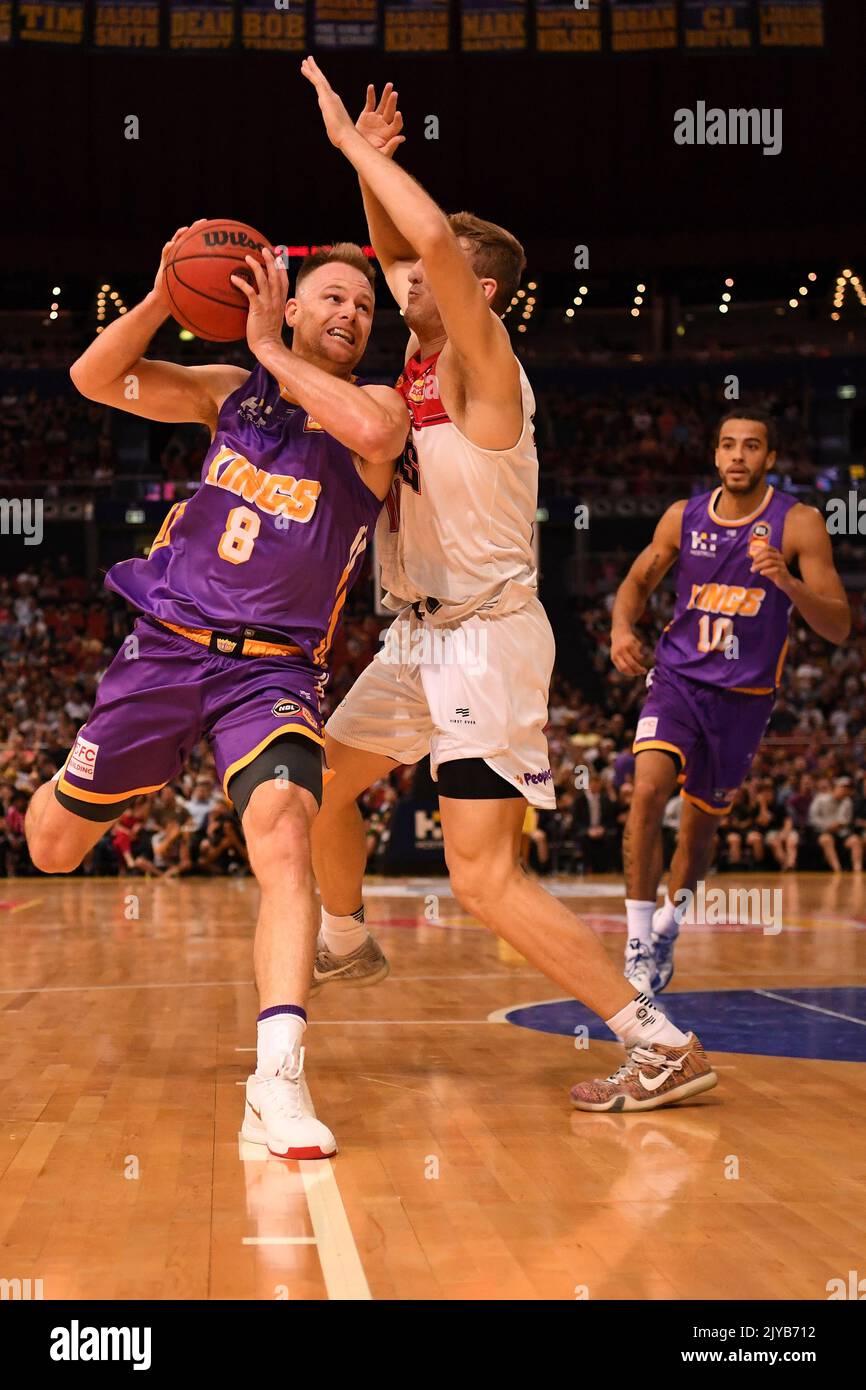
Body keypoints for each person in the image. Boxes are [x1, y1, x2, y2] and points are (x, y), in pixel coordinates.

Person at [301, 57, 718, 1113]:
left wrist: (350, 146)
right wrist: (375, 167)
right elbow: (408, 243)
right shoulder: (418, 355)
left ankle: (655, 1038)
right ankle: (343, 936)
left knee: (481, 879)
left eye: (417, 283)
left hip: (483, 639)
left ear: (476, 292)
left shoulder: (480, 361)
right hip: (418, 641)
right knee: (306, 783)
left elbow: (426, 245)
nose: (392, 287)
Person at [24, 223, 408, 1159]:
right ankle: (65, 783)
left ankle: (276, 1076)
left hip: (272, 669)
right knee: (52, 848)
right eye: (335, 297)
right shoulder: (232, 394)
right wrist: (163, 293)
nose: (352, 314)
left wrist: (271, 343)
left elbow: (372, 432)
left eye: (364, 307)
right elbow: (92, 379)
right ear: (287, 296)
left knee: (283, 825)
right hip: (164, 650)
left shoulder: (375, 410)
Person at [611, 410, 850, 993]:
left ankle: (671, 924)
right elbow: (639, 581)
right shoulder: (682, 517)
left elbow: (839, 625)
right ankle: (638, 937)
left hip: (743, 699)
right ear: (715, 457)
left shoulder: (799, 524)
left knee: (698, 834)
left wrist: (788, 584)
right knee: (646, 790)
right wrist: (622, 628)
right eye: (727, 445)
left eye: (751, 446)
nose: (737, 455)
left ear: (770, 459)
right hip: (677, 680)